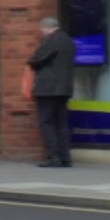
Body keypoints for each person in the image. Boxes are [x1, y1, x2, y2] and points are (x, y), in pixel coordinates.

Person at [27, 16, 77, 168]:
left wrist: (32, 62)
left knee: (46, 122)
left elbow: (37, 59)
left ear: (47, 28)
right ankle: (65, 158)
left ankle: (53, 157)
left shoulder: (51, 40)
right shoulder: (69, 41)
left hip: (48, 88)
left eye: (42, 30)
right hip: (64, 89)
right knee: (61, 123)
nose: (42, 33)